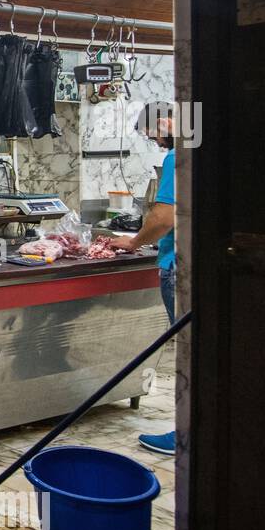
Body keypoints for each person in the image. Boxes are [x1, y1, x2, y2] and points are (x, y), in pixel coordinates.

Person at [111, 100, 177, 455]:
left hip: (177, 266)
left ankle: (186, 437)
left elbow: (165, 217)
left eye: (154, 136)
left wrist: (136, 240)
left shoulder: (177, 158)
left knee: (192, 355)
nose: (157, 143)